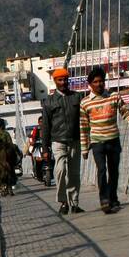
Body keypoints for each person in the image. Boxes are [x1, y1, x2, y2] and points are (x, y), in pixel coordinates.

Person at [80, 65, 129, 214]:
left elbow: (125, 112)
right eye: (96, 82)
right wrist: (84, 148)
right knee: (102, 170)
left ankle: (113, 198)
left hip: (113, 139)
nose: (99, 84)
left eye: (101, 81)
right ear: (90, 84)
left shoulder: (114, 97)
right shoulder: (85, 103)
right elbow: (84, 127)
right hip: (97, 142)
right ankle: (104, 199)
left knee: (113, 171)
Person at [40, 67, 84, 216]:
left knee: (74, 173)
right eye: (60, 79)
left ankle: (74, 203)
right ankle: (63, 201)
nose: (63, 82)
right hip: (58, 141)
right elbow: (45, 126)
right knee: (60, 170)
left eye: (65, 79)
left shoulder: (77, 97)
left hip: (75, 140)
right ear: (55, 81)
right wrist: (45, 149)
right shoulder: (48, 102)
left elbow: (85, 119)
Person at [28, 116, 54, 186]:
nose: (42, 123)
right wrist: (33, 142)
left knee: (53, 158)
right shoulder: (36, 129)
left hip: (48, 147)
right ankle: (38, 174)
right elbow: (32, 138)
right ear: (38, 122)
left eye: (43, 121)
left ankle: (53, 173)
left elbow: (53, 136)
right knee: (38, 161)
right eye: (40, 121)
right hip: (38, 146)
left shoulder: (49, 128)